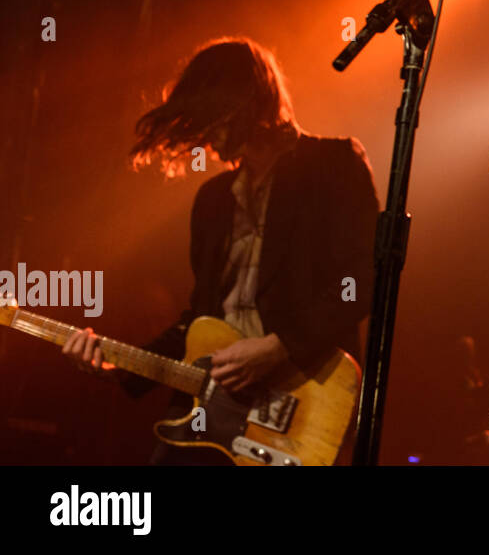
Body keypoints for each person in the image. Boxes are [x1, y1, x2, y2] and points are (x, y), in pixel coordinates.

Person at [63, 37, 378, 464]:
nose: (205, 137)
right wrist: (118, 366)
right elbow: (200, 322)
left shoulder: (333, 165)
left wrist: (278, 347)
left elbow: (359, 281)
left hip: (295, 404)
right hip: (212, 408)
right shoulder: (213, 199)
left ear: (242, 103)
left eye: (211, 119)